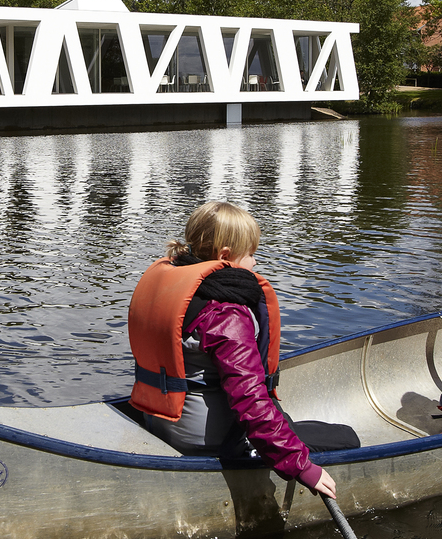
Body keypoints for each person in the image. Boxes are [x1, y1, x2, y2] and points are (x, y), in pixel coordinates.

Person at [127, 201, 338, 501]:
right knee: (344, 437)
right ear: (225, 256)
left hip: (160, 422)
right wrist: (303, 468)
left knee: (292, 423)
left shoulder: (177, 289)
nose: (255, 263)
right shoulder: (225, 314)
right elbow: (250, 399)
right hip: (208, 440)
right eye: (251, 254)